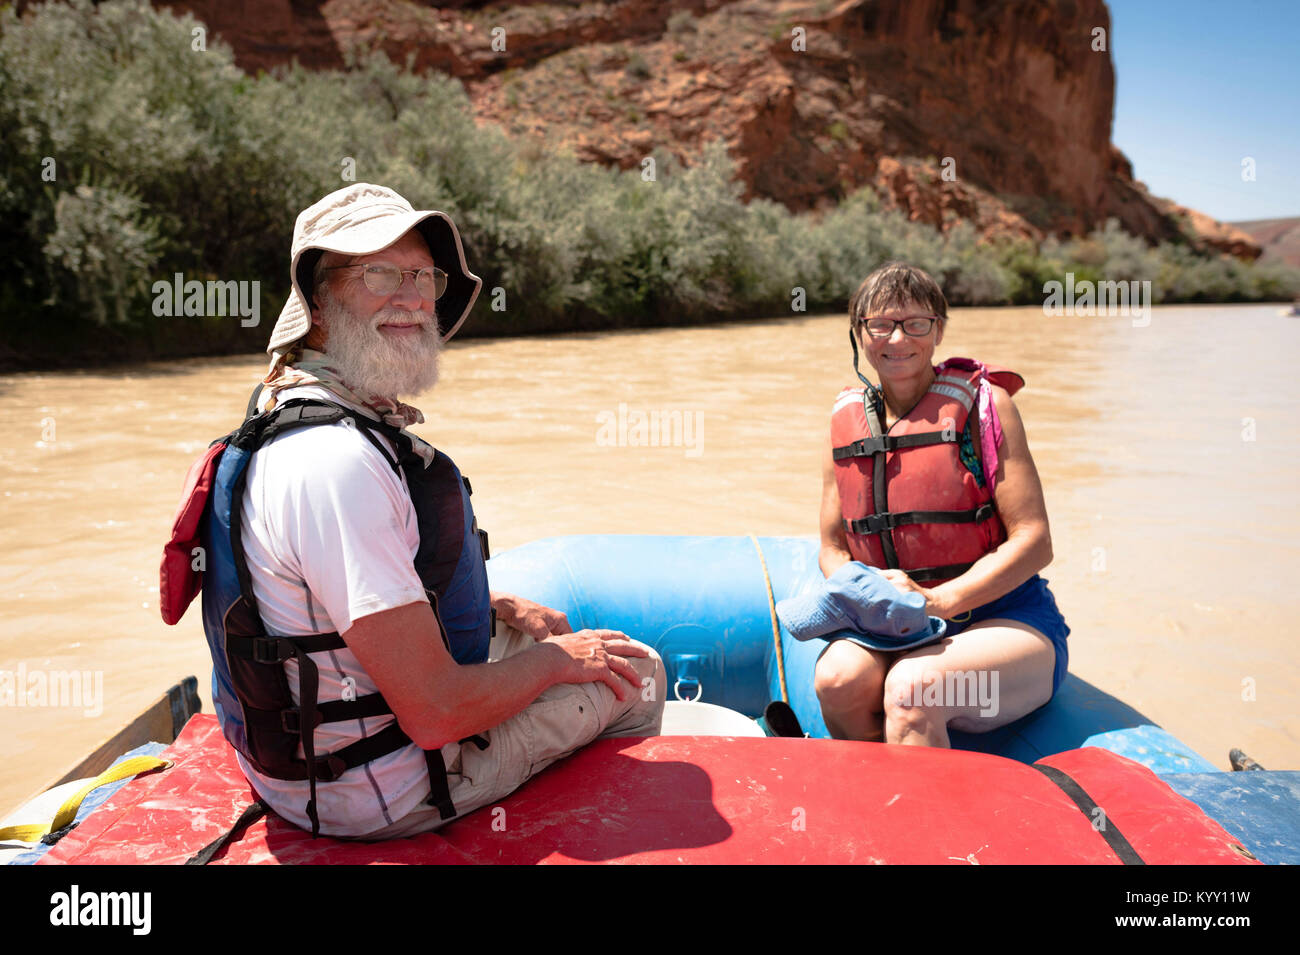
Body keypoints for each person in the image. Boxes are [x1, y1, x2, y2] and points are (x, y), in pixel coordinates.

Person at [184, 183, 663, 839]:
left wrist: (497, 605)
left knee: (543, 633)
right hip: (377, 792)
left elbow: (325, 601)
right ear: (319, 304)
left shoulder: (283, 409)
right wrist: (561, 661)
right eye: (380, 272)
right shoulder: (337, 465)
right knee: (636, 671)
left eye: (423, 276)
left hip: (300, 758)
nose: (411, 295)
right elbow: (435, 713)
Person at [813, 262, 1069, 746]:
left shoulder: (986, 405)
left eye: (916, 323)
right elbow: (831, 547)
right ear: (859, 334)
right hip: (891, 625)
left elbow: (1035, 542)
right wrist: (868, 593)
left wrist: (937, 601)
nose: (897, 339)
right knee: (838, 681)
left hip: (1001, 618)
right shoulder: (845, 421)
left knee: (915, 689)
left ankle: (923, 819)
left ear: (938, 330)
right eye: (880, 324)